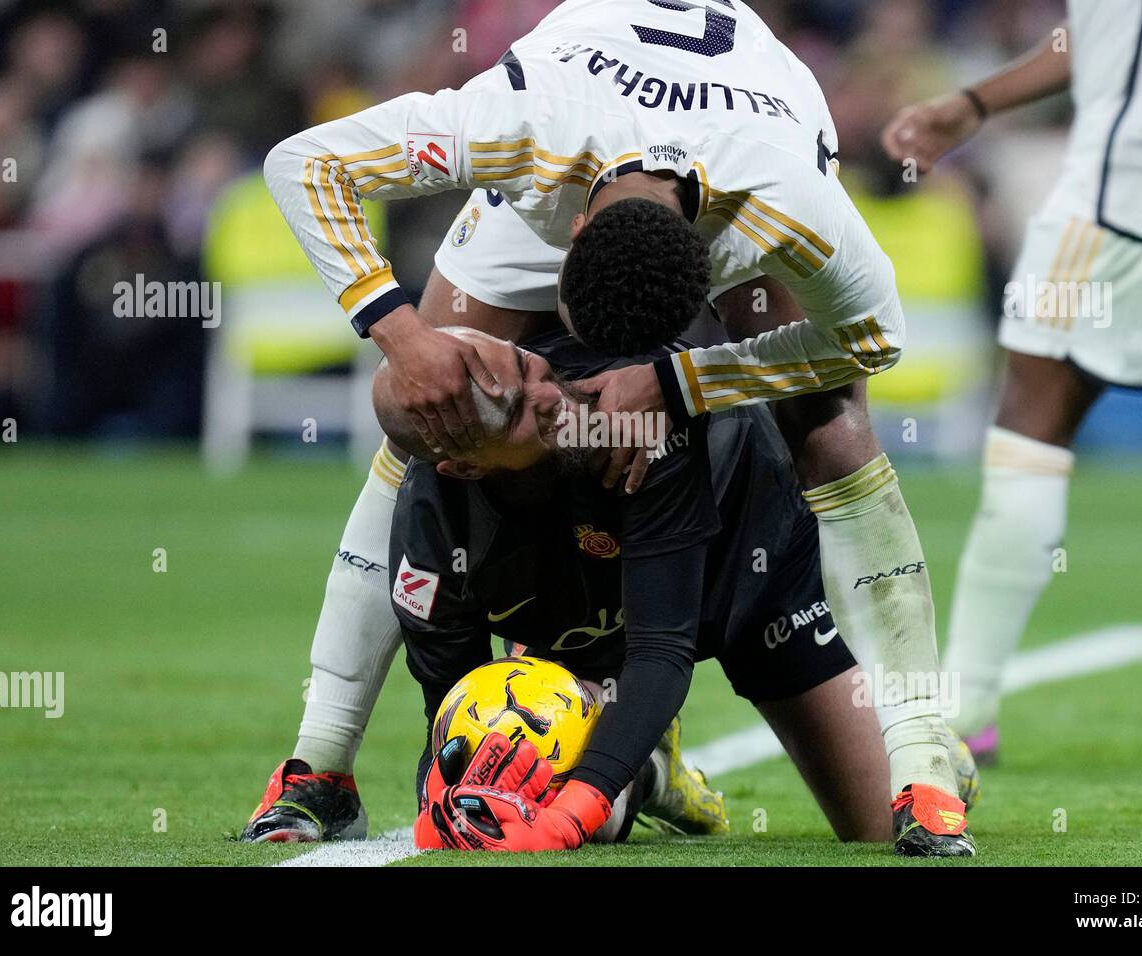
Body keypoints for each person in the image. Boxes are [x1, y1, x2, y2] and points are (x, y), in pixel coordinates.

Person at [263, 0, 974, 854]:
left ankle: (924, 756)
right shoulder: (515, 126)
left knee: (831, 419)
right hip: (578, 136)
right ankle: (319, 767)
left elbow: (876, 338)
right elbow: (301, 163)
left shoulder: (790, 204)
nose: (578, 379)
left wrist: (681, 379)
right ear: (577, 232)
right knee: (428, 410)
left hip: (744, 149)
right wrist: (402, 335)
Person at [881, 0, 1142, 760]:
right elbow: (1102, 35)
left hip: (1131, 201)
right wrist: (976, 103)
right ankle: (969, 703)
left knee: (1032, 419)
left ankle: (966, 707)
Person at [399, 326, 892, 850]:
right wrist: (441, 801)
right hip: (585, 626)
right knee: (518, 795)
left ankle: (908, 733)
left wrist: (571, 816)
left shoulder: (631, 416)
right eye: (516, 411)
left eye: (526, 365)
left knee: (879, 828)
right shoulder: (432, 536)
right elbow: (450, 722)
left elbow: (661, 651)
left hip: (749, 569)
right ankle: (654, 774)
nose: (548, 396)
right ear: (465, 466)